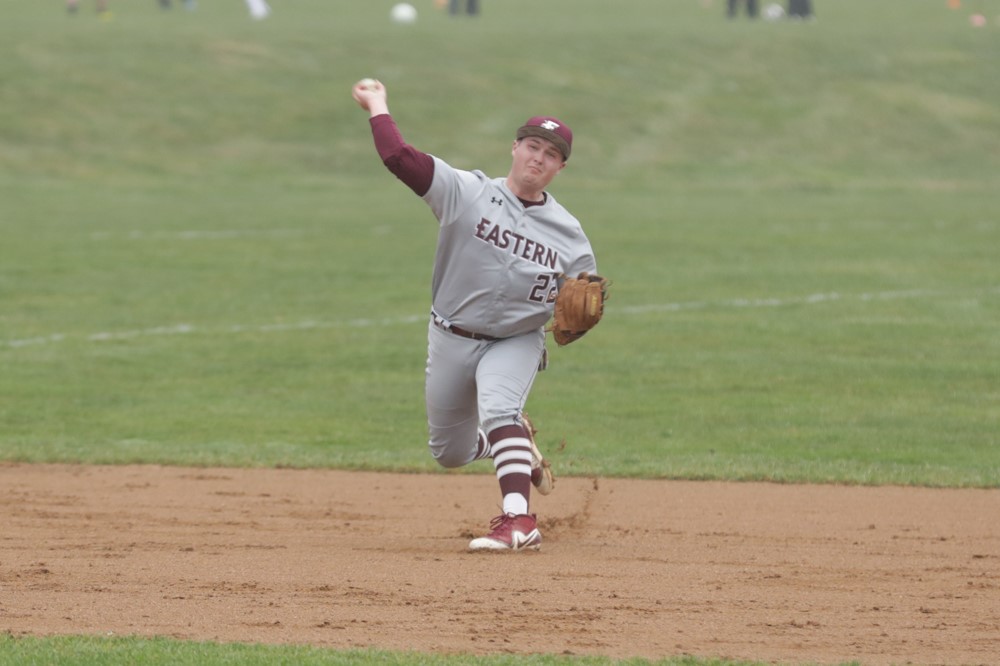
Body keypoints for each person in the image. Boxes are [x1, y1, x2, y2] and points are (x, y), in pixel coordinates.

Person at [351, 79, 600, 552]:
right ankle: (518, 446)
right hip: (450, 335)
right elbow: (400, 158)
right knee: (450, 453)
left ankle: (519, 521)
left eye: (551, 154)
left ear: (560, 167)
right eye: (532, 146)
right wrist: (377, 104)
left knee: (499, 409)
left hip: (516, 339)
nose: (538, 158)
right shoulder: (467, 192)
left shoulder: (570, 234)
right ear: (515, 148)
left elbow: (584, 301)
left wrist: (582, 316)